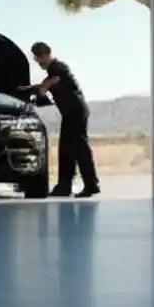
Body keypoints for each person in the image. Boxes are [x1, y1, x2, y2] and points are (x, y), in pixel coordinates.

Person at [22, 41, 100, 198]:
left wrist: (43, 89)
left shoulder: (58, 67)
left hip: (76, 112)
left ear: (48, 54)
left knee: (79, 148)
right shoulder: (52, 72)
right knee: (66, 150)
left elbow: (54, 80)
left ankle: (91, 185)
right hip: (70, 113)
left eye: (41, 57)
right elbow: (48, 82)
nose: (39, 62)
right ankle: (64, 186)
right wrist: (29, 89)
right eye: (37, 58)